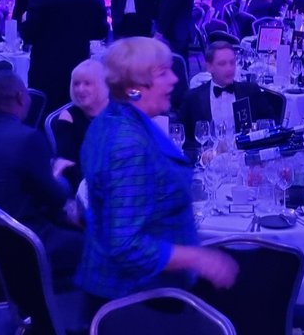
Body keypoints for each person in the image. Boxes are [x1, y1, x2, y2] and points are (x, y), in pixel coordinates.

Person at [77, 37, 238, 309]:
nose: (174, 79)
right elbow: (126, 243)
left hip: (134, 289)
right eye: (163, 73)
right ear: (133, 89)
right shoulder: (127, 144)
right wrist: (198, 258)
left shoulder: (113, 118)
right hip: (136, 302)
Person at [0, 67, 83, 288]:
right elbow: (56, 197)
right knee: (99, 245)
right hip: (23, 248)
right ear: (20, 97)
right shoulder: (27, 138)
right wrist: (56, 174)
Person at [25, 0, 109, 110]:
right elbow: (100, 31)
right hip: (78, 65)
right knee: (75, 116)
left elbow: (29, 34)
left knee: (44, 116)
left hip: (46, 68)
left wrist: (24, 22)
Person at [177, 41, 278, 157]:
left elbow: (270, 125)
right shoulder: (193, 98)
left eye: (232, 63)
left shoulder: (251, 91)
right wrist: (203, 156)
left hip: (245, 160)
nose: (229, 68)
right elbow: (184, 141)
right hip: (209, 162)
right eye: (222, 64)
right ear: (209, 67)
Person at [52, 59, 111, 190]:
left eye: (87, 84)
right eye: (76, 84)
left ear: (102, 84)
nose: (80, 89)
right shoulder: (68, 117)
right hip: (82, 183)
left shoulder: (118, 112)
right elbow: (68, 163)